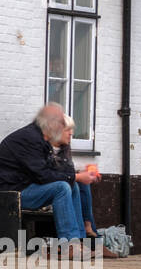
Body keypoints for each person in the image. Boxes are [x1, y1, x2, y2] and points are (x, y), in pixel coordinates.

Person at [0, 103, 96, 242]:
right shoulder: (30, 138)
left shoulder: (42, 138)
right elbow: (43, 176)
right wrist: (78, 176)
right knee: (62, 187)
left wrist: (76, 175)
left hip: (24, 187)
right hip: (10, 194)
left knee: (71, 185)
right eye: (61, 123)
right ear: (50, 123)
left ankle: (80, 241)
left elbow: (54, 172)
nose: (65, 128)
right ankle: (69, 243)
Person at [55, 113, 100, 239]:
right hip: (50, 188)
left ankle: (88, 228)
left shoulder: (64, 147)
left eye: (72, 130)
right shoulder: (46, 145)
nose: (71, 133)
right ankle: (86, 233)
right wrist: (78, 176)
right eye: (67, 130)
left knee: (81, 183)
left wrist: (83, 174)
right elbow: (50, 174)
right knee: (75, 183)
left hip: (59, 183)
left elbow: (67, 170)